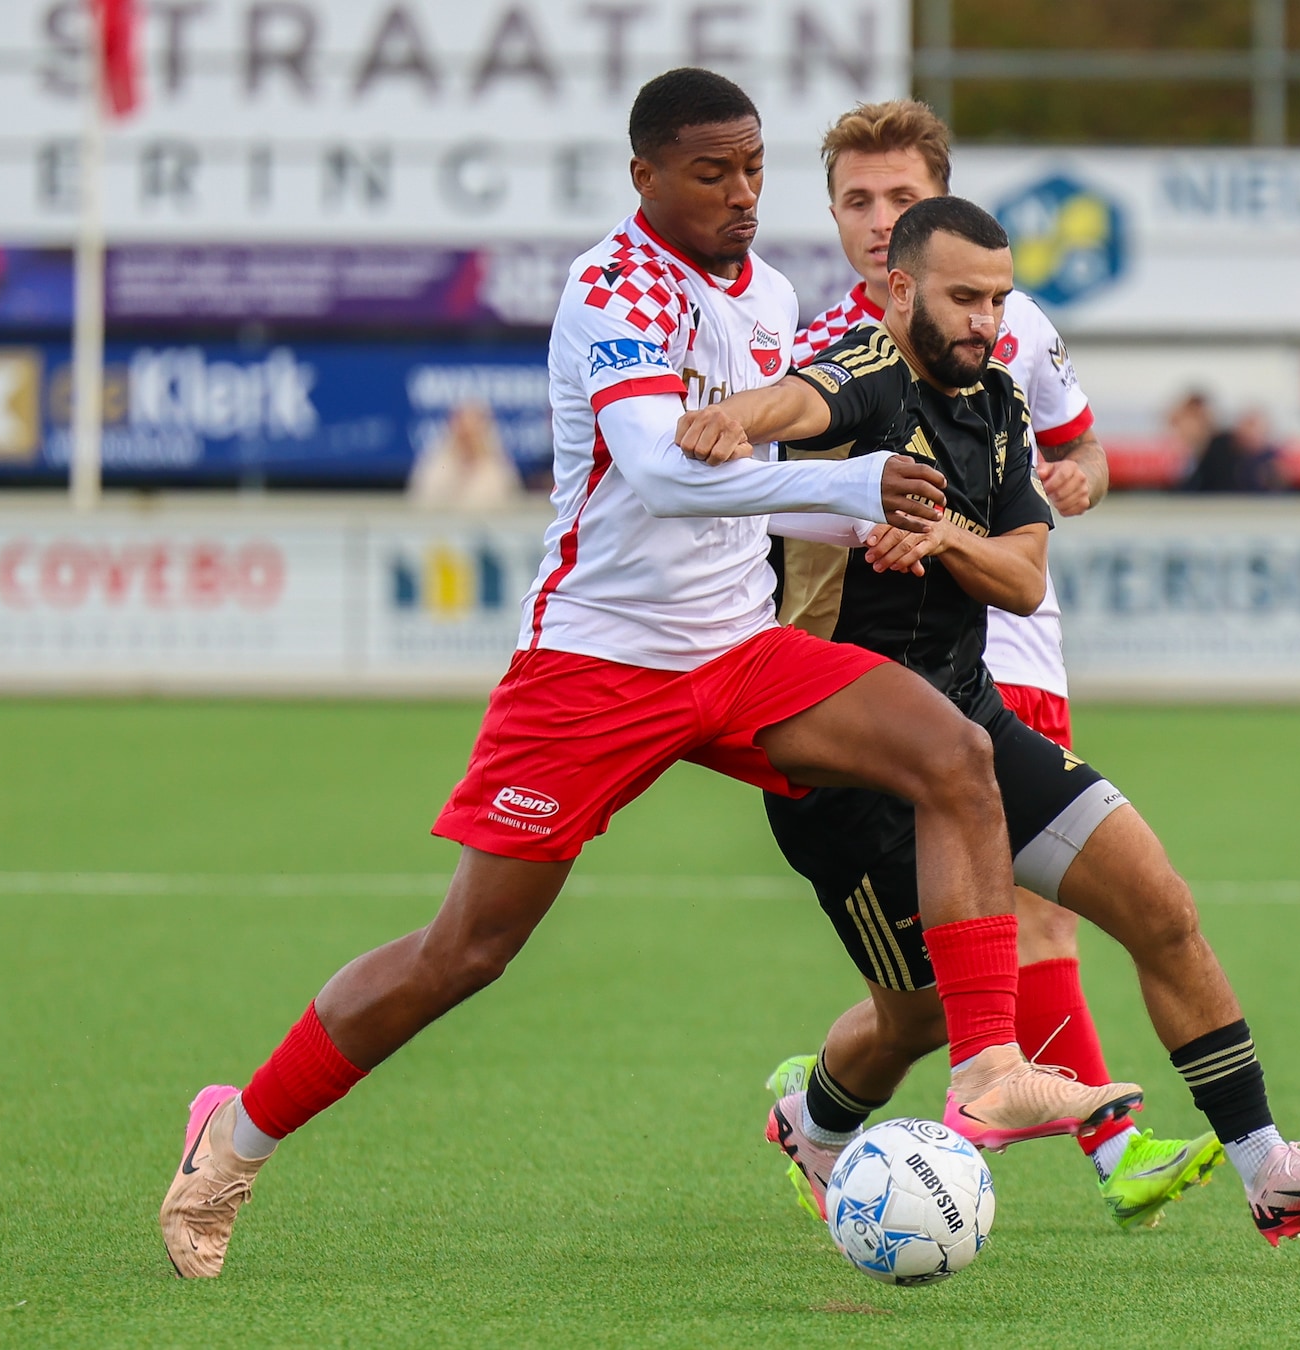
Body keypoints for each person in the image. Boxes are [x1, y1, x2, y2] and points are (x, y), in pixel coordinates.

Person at [157, 68, 1141, 1279]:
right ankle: (235, 1135)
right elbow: (664, 476)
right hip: (598, 664)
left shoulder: (772, 292)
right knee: (465, 952)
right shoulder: (613, 286)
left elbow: (765, 479)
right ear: (646, 178)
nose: (739, 195)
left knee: (954, 752)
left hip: (737, 651)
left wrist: (875, 524)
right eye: (709, 172)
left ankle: (987, 1062)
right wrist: (848, 487)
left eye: (752, 170)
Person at [678, 195, 1300, 1248]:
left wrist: (943, 536)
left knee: (1162, 907)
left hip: (973, 725)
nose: (986, 319)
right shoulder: (866, 377)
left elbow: (1020, 576)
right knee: (916, 1016)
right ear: (904, 290)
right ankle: (814, 1119)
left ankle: (1269, 1167)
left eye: (999, 298)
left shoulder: (999, 406)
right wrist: (735, 419)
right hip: (851, 773)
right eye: (965, 298)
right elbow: (795, 404)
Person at [775, 98, 1218, 1232]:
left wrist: (1077, 481)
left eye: (903, 199)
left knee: (1030, 926)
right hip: (914, 666)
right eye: (857, 203)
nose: (882, 221)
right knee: (1000, 940)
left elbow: (1083, 448)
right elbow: (785, 513)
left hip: (1017, 635)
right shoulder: (829, 356)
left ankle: (870, 1113)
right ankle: (1105, 1140)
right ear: (833, 220)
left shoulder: (1012, 322)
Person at [407, 403, 523, 511]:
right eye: (463, 433)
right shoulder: (432, 468)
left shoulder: (500, 471)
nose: (468, 440)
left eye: (472, 433)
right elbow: (420, 507)